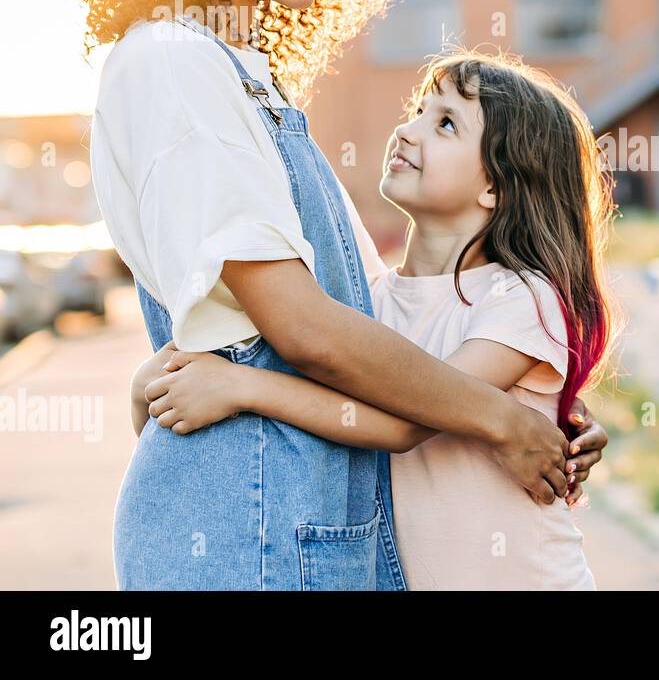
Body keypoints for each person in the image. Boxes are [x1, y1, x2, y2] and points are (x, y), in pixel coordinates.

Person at [71, 0, 606, 590]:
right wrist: (501, 422)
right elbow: (305, 329)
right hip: (248, 534)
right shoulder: (175, 62)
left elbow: (369, 332)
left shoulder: (247, 83)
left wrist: (532, 412)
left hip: (294, 532)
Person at [140, 49, 622, 589]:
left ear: (496, 188)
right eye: (418, 109)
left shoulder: (521, 300)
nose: (409, 131)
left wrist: (243, 386)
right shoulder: (366, 298)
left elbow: (404, 424)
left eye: (444, 124)